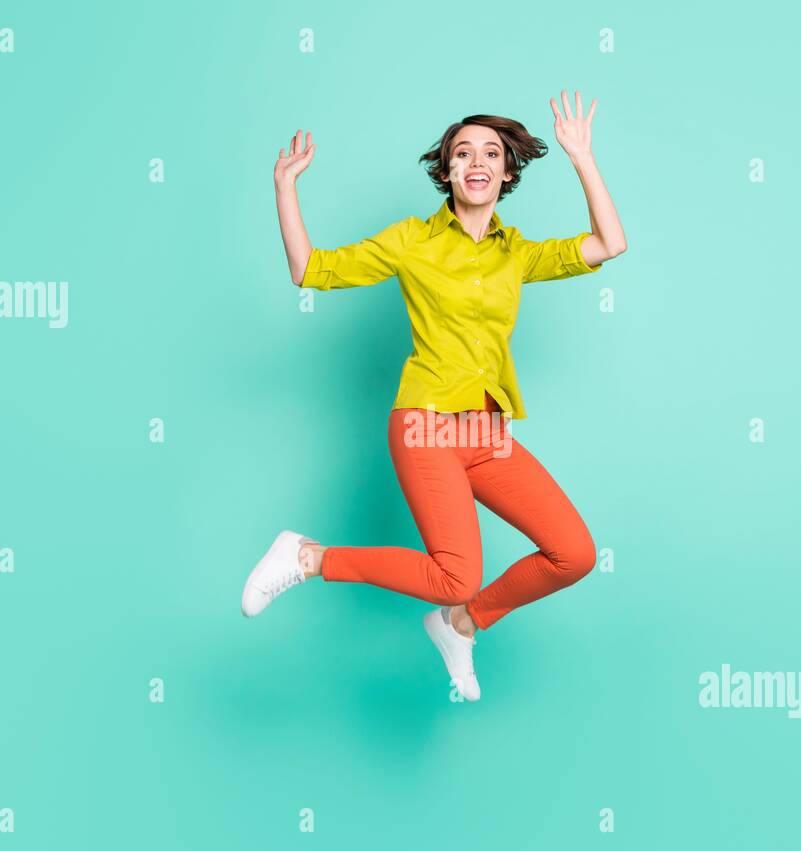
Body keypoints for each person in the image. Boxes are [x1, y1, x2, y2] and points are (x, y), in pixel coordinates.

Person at [244, 90, 628, 701]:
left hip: (486, 433)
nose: (478, 161)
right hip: (425, 424)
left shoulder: (517, 254)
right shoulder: (412, 241)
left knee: (575, 553)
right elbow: (309, 269)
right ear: (446, 170)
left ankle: (462, 625)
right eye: (463, 152)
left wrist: (582, 156)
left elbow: (609, 244)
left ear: (507, 171)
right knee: (455, 575)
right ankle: (309, 558)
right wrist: (285, 187)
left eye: (492, 152)